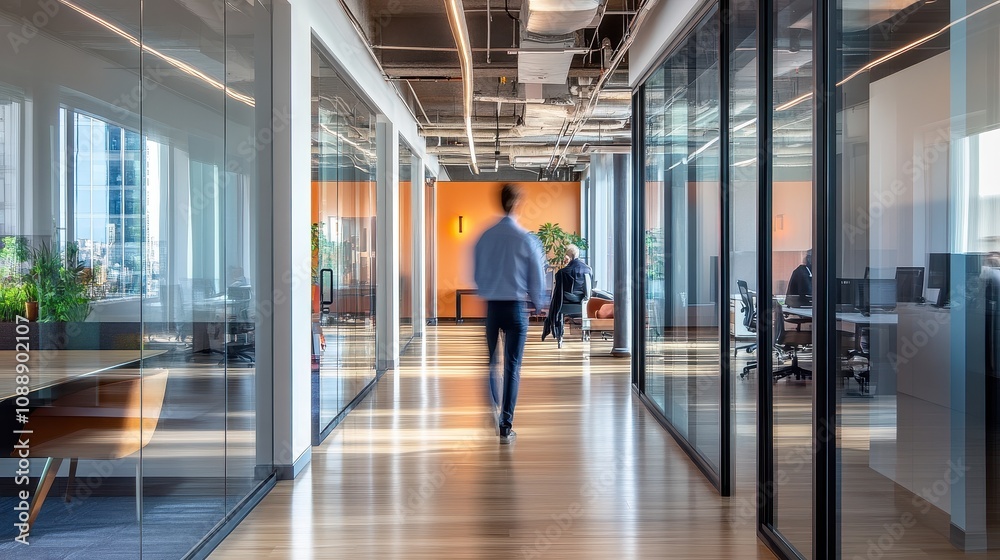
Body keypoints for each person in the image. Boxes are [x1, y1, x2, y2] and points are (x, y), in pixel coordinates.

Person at [474, 184, 546, 444]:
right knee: (512, 366)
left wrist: (487, 289)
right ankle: (506, 423)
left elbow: (477, 272)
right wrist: (538, 303)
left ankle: (494, 406)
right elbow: (536, 277)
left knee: (492, 362)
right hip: (516, 308)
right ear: (516, 204)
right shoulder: (526, 238)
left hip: (493, 306)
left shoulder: (485, 236)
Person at [542, 244, 593, 347]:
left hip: (564, 304)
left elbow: (558, 292)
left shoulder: (562, 272)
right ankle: (585, 335)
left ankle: (559, 335)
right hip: (583, 303)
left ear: (567, 256)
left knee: (556, 298)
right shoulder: (588, 269)